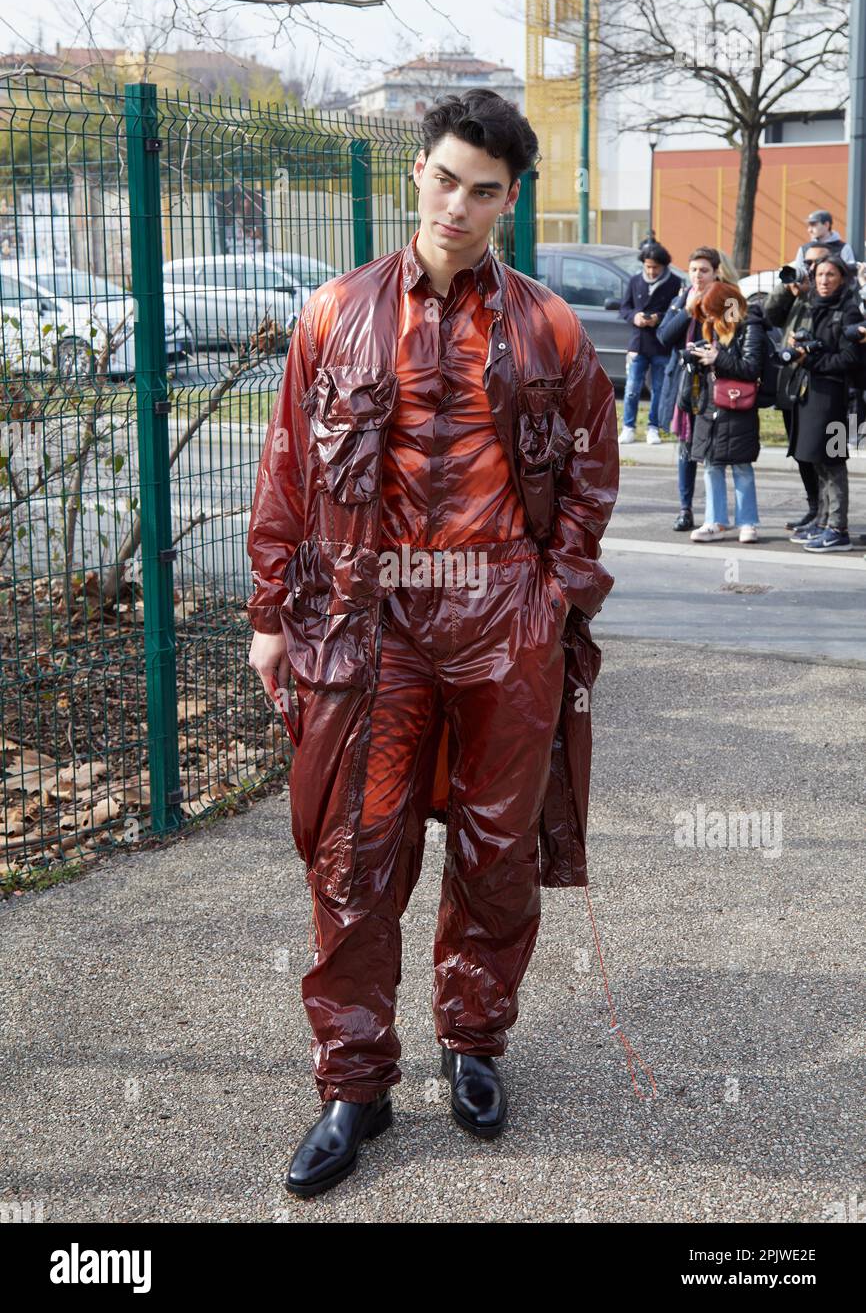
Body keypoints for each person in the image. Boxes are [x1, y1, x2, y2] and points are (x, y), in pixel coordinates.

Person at [245, 87, 619, 1197]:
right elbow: (286, 472)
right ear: (417, 172)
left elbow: (592, 463)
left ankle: (474, 1039)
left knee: (497, 849)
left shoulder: (547, 323)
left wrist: (555, 590)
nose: (459, 204)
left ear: (510, 200)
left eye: (484, 190)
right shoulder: (333, 314)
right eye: (446, 178)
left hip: (505, 618)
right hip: (373, 624)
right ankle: (353, 1078)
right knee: (356, 853)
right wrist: (272, 614)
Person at [783, 254, 863, 552]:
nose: (824, 280)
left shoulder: (849, 312)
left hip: (836, 399)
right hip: (810, 395)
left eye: (831, 275)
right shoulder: (813, 306)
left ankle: (838, 529)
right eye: (819, 275)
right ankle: (822, 520)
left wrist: (811, 359)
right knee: (817, 460)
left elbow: (850, 358)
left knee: (833, 461)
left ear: (842, 279)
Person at [682, 281, 766, 543]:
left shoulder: (750, 327)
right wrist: (696, 356)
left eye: (711, 311)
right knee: (711, 464)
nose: (708, 318)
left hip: (738, 405)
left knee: (741, 465)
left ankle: (748, 522)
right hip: (711, 406)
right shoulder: (713, 329)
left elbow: (752, 367)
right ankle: (714, 521)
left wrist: (717, 359)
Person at [762, 241, 832, 529]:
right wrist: (787, 289)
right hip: (791, 384)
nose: (812, 269)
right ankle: (814, 508)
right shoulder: (799, 295)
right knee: (801, 453)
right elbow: (770, 315)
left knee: (821, 455)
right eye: (808, 263)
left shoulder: (831, 295)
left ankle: (827, 516)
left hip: (818, 388)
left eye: (817, 264)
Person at [657, 245, 723, 531]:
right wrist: (686, 311)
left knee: (709, 449)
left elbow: (732, 335)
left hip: (712, 383)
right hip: (685, 385)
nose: (698, 276)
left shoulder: (724, 300)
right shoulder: (681, 298)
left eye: (704, 270)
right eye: (694, 269)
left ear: (715, 273)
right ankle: (685, 509)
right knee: (685, 448)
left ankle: (714, 515)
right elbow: (664, 337)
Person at [617, 240, 682, 445]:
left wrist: (659, 319)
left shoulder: (674, 283)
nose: (651, 271)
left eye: (655, 267)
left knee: (658, 388)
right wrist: (635, 316)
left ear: (663, 266)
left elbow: (677, 312)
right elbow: (624, 308)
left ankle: (653, 427)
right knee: (632, 388)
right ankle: (628, 427)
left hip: (661, 344)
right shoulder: (635, 281)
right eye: (647, 266)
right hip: (638, 343)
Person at [792, 210, 855, 276]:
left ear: (826, 225)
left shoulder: (844, 248)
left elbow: (850, 274)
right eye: (809, 226)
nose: (809, 230)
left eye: (813, 225)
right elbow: (798, 275)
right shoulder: (804, 249)